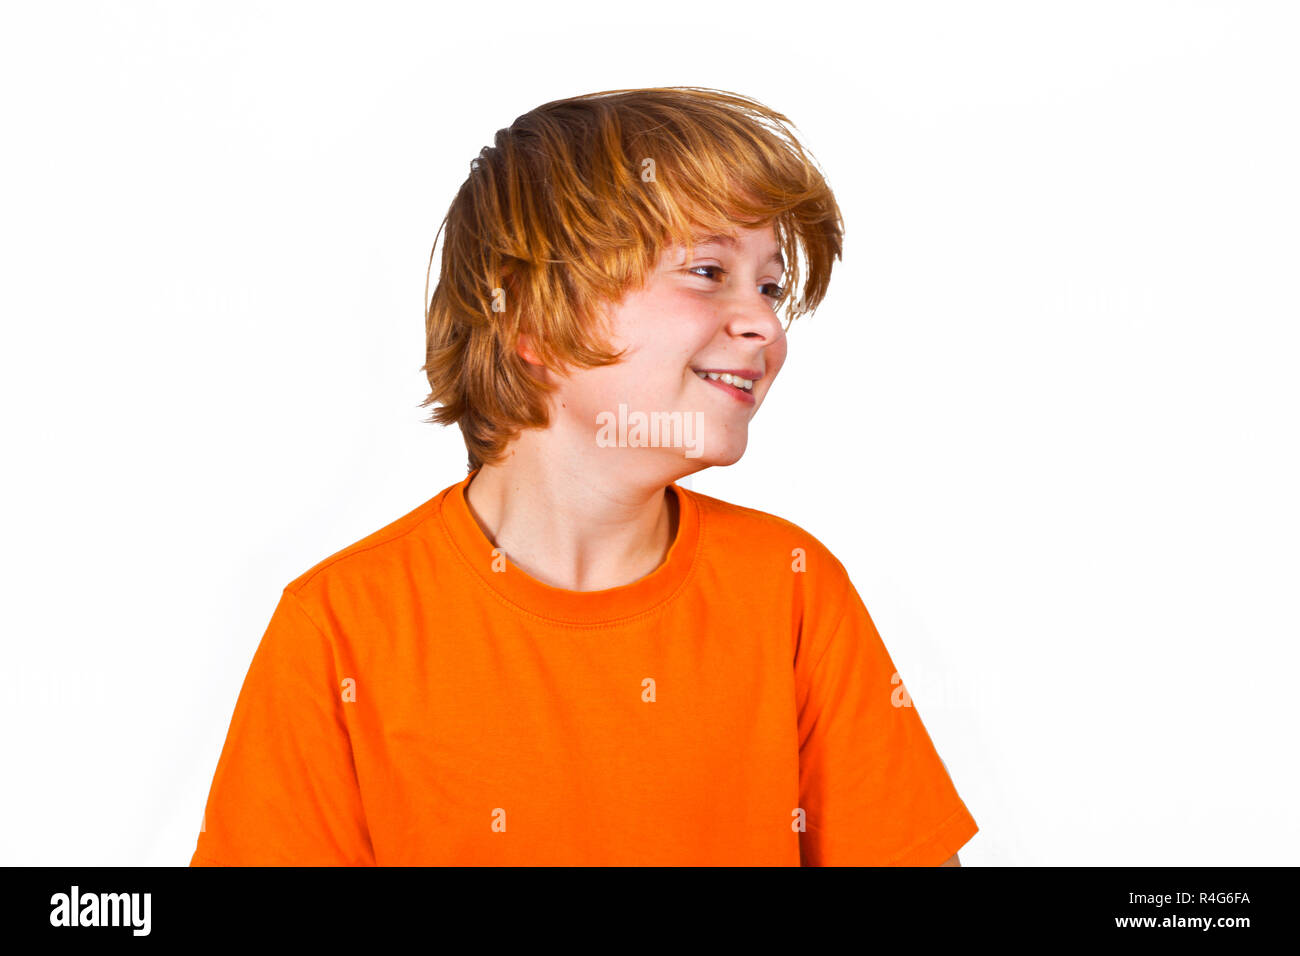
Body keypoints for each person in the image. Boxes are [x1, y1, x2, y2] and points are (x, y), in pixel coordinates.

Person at [190, 87, 978, 866]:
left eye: (770, 287)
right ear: (532, 316)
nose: (765, 323)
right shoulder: (338, 630)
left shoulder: (794, 591)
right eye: (708, 271)